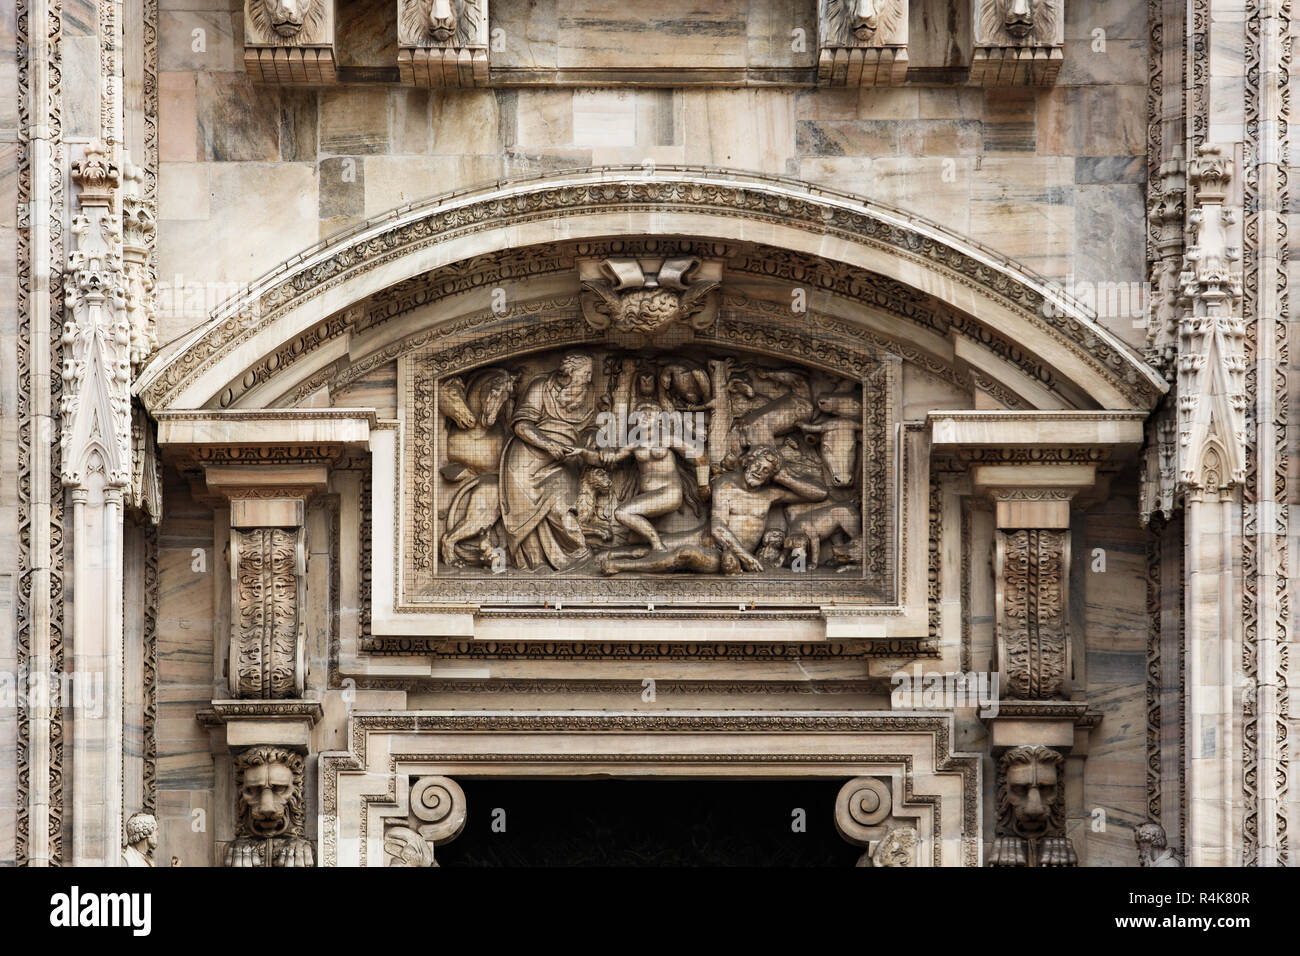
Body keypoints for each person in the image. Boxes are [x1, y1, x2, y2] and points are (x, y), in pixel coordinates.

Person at [597, 445, 826, 575]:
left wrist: (785, 476)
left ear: (770, 476)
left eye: (765, 471)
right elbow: (718, 527)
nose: (758, 471)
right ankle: (613, 554)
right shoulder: (725, 485)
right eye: (756, 465)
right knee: (662, 544)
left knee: (684, 554)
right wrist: (746, 556)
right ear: (747, 462)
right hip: (712, 539)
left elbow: (819, 494)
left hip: (723, 555)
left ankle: (620, 565)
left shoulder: (770, 495)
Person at [499, 352, 602, 571]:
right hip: (528, 457)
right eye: (586, 373)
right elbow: (521, 425)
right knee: (526, 507)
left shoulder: (589, 393)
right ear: (571, 373)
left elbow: (590, 427)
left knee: (560, 507)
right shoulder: (542, 386)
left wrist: (586, 444)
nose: (590, 378)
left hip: (564, 461)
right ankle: (535, 562)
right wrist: (548, 445)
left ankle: (577, 556)